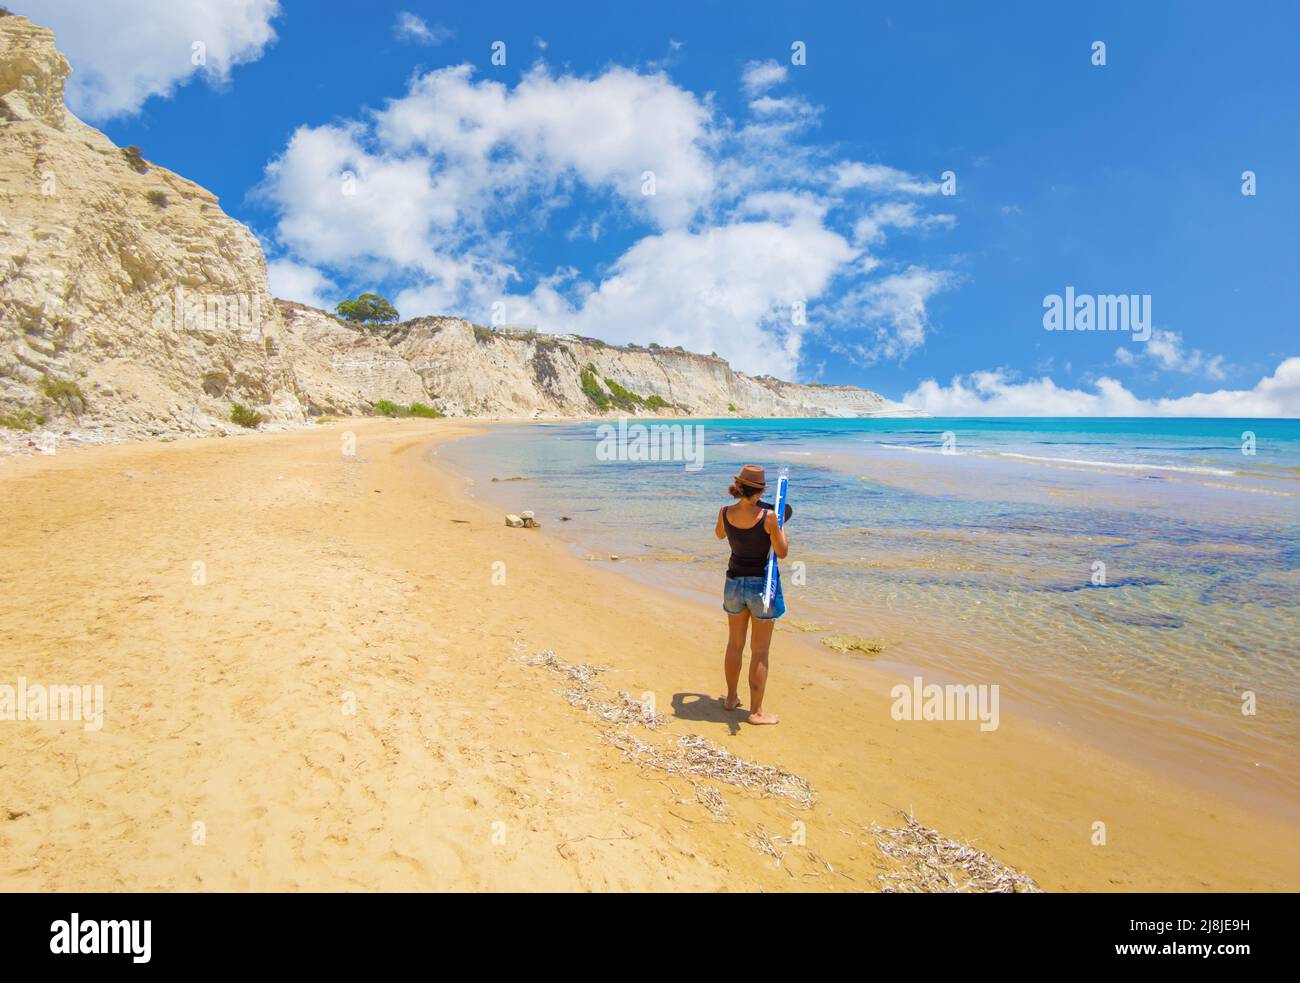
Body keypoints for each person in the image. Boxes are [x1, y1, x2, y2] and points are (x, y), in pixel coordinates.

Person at [714, 464, 789, 725]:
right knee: (759, 652)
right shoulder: (768, 517)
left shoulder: (725, 512)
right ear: (760, 490)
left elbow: (720, 535)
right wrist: (781, 526)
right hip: (761, 586)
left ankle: (731, 698)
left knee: (735, 644)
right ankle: (756, 712)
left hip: (733, 582)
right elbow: (782, 551)